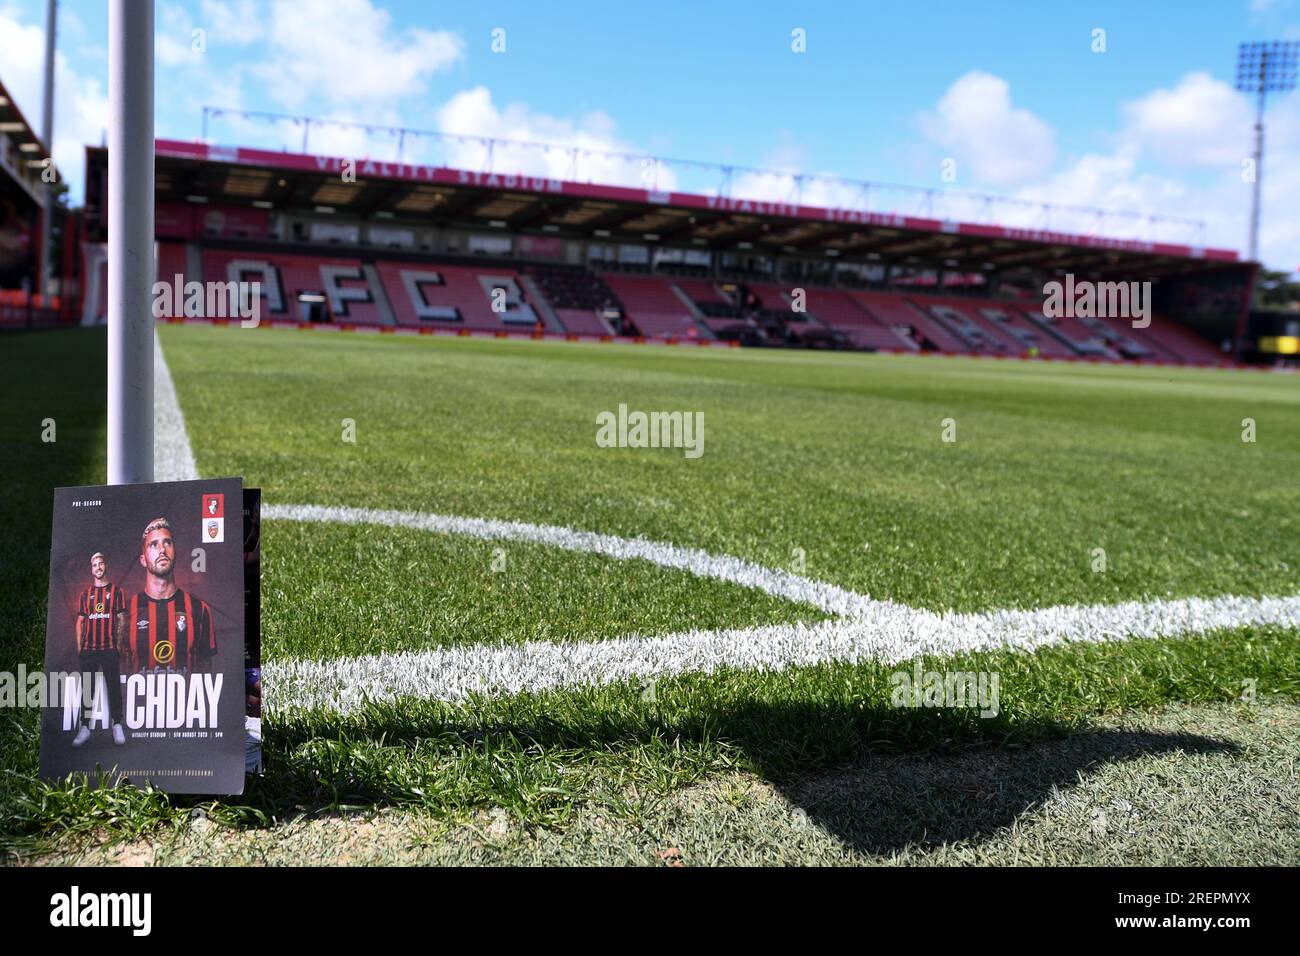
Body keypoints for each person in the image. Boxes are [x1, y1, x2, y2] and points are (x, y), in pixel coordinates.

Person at [129, 518, 218, 674]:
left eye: (167, 543)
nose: (162, 550)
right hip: (140, 698)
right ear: (143, 560)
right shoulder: (125, 611)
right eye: (154, 544)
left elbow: (205, 670)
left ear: (174, 551)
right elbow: (120, 669)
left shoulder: (199, 609)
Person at [71, 552, 128, 747]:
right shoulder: (85, 595)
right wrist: (80, 646)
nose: (98, 567)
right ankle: (85, 727)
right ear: (91, 569)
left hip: (109, 648)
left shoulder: (116, 591)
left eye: (101, 564)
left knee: (113, 687)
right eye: (95, 565)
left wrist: (118, 645)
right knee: (88, 688)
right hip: (89, 650)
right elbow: (80, 621)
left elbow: (121, 618)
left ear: (105, 566)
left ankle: (117, 725)